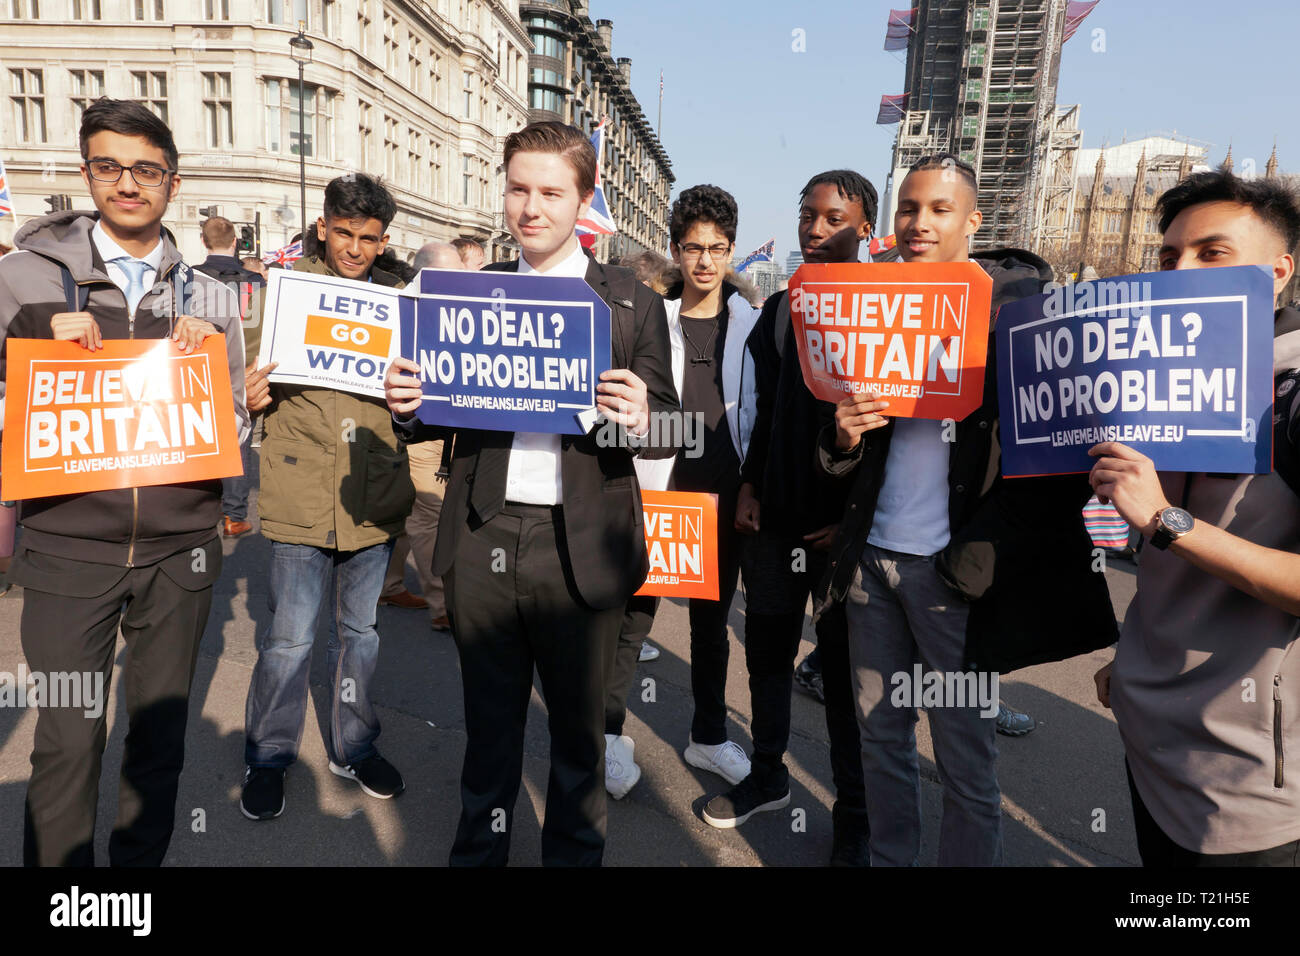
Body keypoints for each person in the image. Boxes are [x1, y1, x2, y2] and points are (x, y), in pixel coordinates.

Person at [383, 121, 678, 866]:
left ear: (584, 200)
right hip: (483, 535)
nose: (531, 207)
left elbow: (678, 427)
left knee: (579, 743)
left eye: (551, 191)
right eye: (519, 188)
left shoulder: (629, 304)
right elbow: (429, 418)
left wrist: (642, 417)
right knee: (489, 737)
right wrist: (406, 404)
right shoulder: (466, 296)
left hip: (580, 546)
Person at [816, 154, 1116, 865]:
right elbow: (835, 452)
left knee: (965, 759)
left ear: (973, 221)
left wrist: (972, 563)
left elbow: (1049, 467)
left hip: (954, 581)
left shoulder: (1017, 323)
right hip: (872, 566)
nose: (920, 223)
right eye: (909, 208)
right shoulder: (873, 304)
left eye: (939, 209)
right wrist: (842, 435)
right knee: (881, 741)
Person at [0, 98, 255, 865]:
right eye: (109, 167)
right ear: (87, 174)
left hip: (180, 552)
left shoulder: (210, 295)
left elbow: (239, 425)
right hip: (68, 547)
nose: (128, 183)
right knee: (68, 744)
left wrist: (215, 383)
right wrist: (30, 356)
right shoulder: (20, 279)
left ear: (172, 184)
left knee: (158, 741)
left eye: (145, 169)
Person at [1093, 170, 1300, 866]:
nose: (1180, 273)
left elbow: (1168, 528)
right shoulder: (1158, 380)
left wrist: (1167, 521)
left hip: (1247, 778)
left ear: (1277, 272)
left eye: (1212, 254)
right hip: (1149, 735)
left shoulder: (1293, 393)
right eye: (1168, 256)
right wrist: (1133, 653)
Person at [240, 173, 415, 821]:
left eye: (368, 238)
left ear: (383, 240)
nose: (354, 248)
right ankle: (267, 755)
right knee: (287, 640)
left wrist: (410, 413)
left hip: (373, 501)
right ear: (323, 226)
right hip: (299, 496)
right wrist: (249, 399)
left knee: (361, 634)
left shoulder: (402, 308)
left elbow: (417, 409)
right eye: (343, 233)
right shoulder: (281, 297)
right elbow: (243, 388)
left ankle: (354, 744)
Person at [715, 171, 876, 864]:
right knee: (769, 656)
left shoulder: (891, 308)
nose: (815, 228)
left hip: (845, 533)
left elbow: (897, 437)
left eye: (833, 217)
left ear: (865, 228)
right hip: (777, 522)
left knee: (843, 683)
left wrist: (855, 519)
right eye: (808, 214)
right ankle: (769, 773)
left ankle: (855, 820)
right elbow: (767, 414)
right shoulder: (781, 307)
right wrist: (750, 485)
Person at [603, 186, 759, 800]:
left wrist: (751, 482)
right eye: (692, 247)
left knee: (711, 627)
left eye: (716, 249)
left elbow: (760, 414)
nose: (703, 261)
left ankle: (708, 735)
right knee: (631, 624)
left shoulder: (750, 324)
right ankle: (610, 738)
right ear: (674, 249)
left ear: (731, 251)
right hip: (656, 489)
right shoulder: (646, 316)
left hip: (720, 494)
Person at [378, 240, 464, 629]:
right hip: (420, 430)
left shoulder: (454, 306)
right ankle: (443, 605)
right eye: (453, 276)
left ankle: (390, 583)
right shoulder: (400, 311)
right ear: (426, 274)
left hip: (451, 430)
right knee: (430, 513)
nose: (461, 283)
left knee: (413, 514)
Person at [194, 215, 267, 537]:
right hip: (246, 368)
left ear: (203, 241)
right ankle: (234, 515)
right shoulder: (256, 282)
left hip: (203, 369)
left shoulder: (190, 280)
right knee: (240, 440)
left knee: (200, 439)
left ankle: (201, 509)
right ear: (237, 241)